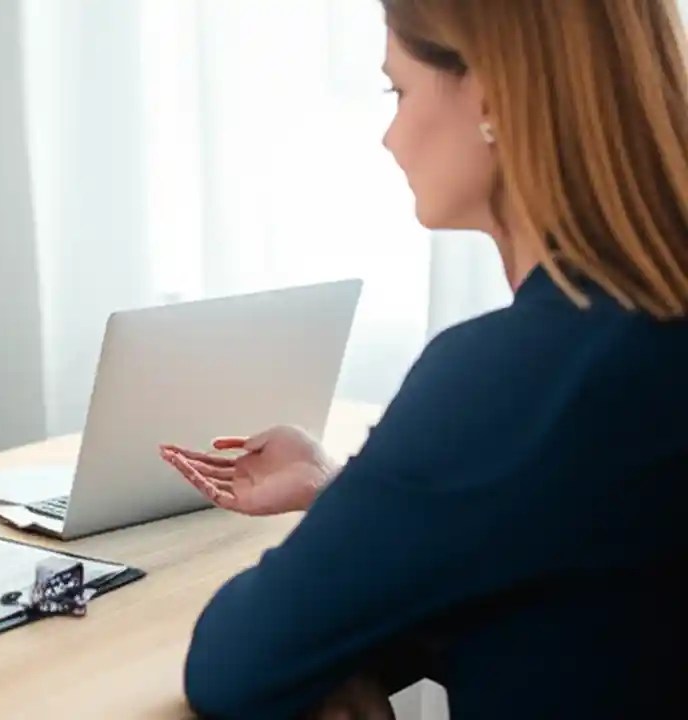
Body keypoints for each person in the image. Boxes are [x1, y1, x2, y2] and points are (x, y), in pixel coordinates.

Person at [161, 0, 688, 717]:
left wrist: (337, 657)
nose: (390, 137)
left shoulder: (515, 377)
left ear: (491, 96)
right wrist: (353, 491)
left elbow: (233, 662)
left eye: (399, 91)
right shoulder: (641, 342)